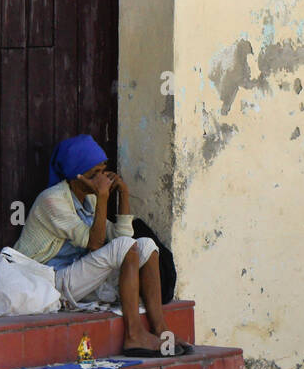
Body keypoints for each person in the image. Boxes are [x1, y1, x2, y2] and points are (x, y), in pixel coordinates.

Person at [14, 134, 192, 357]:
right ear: (76, 176)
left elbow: (122, 237)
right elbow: (95, 243)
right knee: (124, 247)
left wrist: (123, 194)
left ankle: (161, 330)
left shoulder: (88, 198)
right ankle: (134, 335)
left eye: (103, 170)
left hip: (77, 278)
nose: (102, 178)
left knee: (146, 245)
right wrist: (103, 196)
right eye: (94, 174)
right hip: (47, 283)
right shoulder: (51, 201)